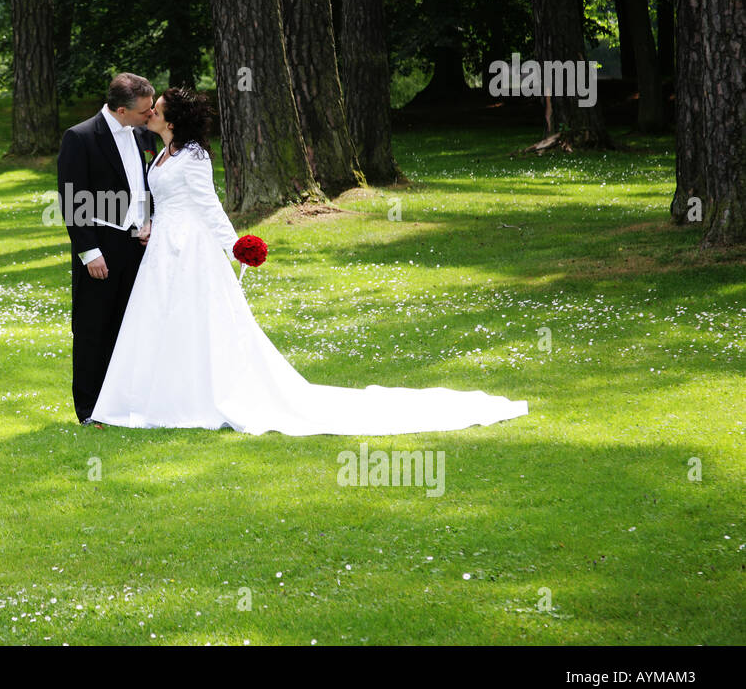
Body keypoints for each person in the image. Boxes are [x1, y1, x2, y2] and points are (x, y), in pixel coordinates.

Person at [89, 87, 529, 435]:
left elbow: (208, 205)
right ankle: (152, 398)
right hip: (163, 246)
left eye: (157, 109)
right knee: (158, 321)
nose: (151, 113)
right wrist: (148, 226)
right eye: (152, 109)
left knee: (196, 320)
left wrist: (236, 245)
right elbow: (161, 198)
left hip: (192, 249)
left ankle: (198, 398)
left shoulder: (194, 157)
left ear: (172, 118)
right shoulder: (161, 152)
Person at [56, 72, 160, 425]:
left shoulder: (145, 135)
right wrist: (89, 252)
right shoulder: (80, 137)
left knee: (131, 325)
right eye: (145, 110)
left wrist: (149, 221)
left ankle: (127, 403)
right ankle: (90, 410)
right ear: (120, 109)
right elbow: (72, 200)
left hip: (137, 246)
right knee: (92, 329)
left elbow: (148, 185)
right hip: (101, 247)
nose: (151, 115)